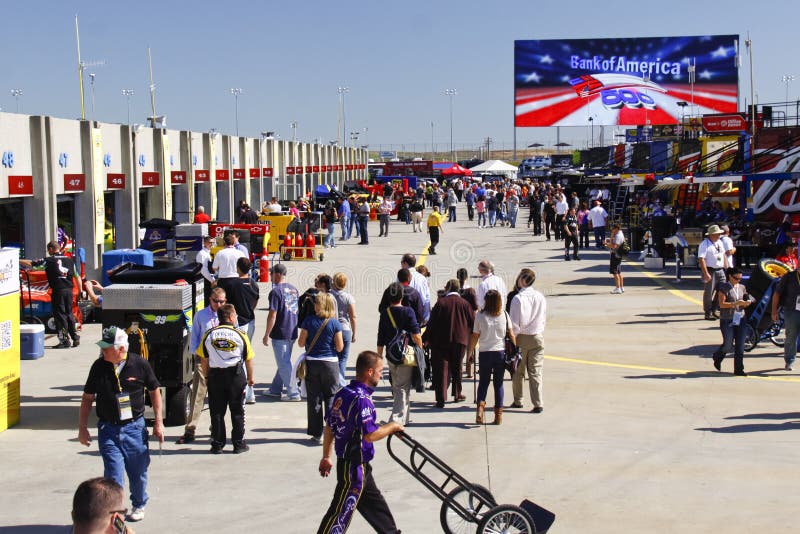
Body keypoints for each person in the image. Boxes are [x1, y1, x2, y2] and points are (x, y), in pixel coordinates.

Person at [78, 326, 164, 522]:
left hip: (134, 428)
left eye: (107, 348)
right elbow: (87, 398)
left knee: (138, 473)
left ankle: (139, 504)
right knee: (112, 476)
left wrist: (158, 422)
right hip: (108, 429)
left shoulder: (139, 364)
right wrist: (82, 427)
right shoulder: (98, 367)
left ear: (121, 349)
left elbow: (154, 390)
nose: (103, 351)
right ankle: (115, 512)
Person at [317, 351, 403, 534]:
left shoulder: (343, 393)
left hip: (356, 465)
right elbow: (370, 435)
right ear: (370, 372)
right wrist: (392, 427)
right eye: (380, 371)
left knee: (377, 508)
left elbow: (329, 427)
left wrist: (327, 456)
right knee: (340, 514)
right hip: (354, 466)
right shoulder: (362, 400)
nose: (382, 375)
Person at [199, 303, 254, 454]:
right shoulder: (240, 334)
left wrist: (206, 375)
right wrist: (250, 377)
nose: (236, 317)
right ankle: (238, 443)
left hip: (215, 375)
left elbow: (203, 358)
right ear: (230, 317)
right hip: (235, 376)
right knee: (237, 411)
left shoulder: (209, 334)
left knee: (216, 411)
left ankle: (217, 444)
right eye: (235, 315)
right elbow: (248, 358)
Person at [176, 287, 226, 444]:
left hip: (222, 362)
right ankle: (190, 429)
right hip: (203, 359)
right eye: (215, 301)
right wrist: (197, 357)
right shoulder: (201, 315)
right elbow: (194, 338)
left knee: (218, 398)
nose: (218, 304)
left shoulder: (228, 314)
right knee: (198, 394)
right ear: (209, 300)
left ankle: (216, 428)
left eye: (222, 301)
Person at [298, 293, 344, 443]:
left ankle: (317, 433)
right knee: (331, 396)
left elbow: (300, 343)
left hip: (313, 363)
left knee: (314, 398)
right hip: (330, 364)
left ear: (320, 305)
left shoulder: (309, 321)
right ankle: (331, 429)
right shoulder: (335, 324)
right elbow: (339, 347)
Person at [423, 279, 474, 408]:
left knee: (441, 369)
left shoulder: (441, 303)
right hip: (460, 340)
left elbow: (432, 323)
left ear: (448, 288)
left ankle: (441, 399)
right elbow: (472, 322)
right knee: (457, 367)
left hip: (441, 340)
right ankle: (457, 394)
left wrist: (426, 338)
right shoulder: (465, 304)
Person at [377, 282, 423, 424]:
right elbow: (416, 334)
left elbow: (381, 336)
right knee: (402, 388)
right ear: (401, 296)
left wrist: (379, 356)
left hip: (391, 354)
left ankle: (404, 418)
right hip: (406, 354)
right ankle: (396, 420)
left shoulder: (385, 313)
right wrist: (420, 350)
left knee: (398, 385)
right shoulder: (408, 312)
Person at [21, 240, 80, 348]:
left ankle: (64, 341)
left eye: (48, 250)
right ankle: (75, 338)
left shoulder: (49, 260)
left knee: (60, 315)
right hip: (69, 290)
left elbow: (32, 264)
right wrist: (80, 291)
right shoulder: (70, 260)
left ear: (51, 249)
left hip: (58, 290)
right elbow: (78, 276)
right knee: (69, 313)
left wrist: (18, 260)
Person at [468, 289, 515, 425]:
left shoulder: (480, 316)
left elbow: (475, 336)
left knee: (483, 382)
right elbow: (511, 334)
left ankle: (480, 409)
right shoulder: (504, 315)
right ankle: (498, 415)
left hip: (485, 353)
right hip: (499, 352)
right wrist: (514, 350)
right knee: (498, 384)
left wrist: (470, 352)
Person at [508, 268, 546, 413]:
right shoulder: (540, 296)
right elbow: (542, 317)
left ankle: (518, 400)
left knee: (518, 371)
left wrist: (513, 338)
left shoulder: (518, 298)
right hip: (537, 336)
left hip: (522, 337)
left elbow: (514, 322)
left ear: (523, 280)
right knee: (535, 371)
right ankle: (538, 402)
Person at [263, 264, 302, 401]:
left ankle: (293, 393)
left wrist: (266, 334)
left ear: (278, 274)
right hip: (292, 330)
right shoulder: (293, 289)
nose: (270, 276)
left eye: (271, 273)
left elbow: (272, 315)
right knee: (283, 361)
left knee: (284, 363)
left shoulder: (275, 292)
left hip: (280, 331)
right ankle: (275, 389)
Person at [225, 257, 260, 404]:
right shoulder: (253, 283)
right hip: (250, 321)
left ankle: (246, 393)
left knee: (240, 358)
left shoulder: (232, 284)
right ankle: (248, 393)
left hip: (239, 324)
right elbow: (256, 300)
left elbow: (228, 305)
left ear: (238, 268)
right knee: (247, 355)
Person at [712, 267, 752, 376]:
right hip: (727, 319)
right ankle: (718, 355)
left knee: (740, 345)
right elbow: (721, 304)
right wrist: (735, 304)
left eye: (740, 279)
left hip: (740, 318)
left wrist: (748, 301)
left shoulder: (742, 287)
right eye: (736, 278)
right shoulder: (724, 287)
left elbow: (748, 297)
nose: (738, 281)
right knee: (728, 344)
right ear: (730, 276)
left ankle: (739, 369)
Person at [771, 265, 800, 371]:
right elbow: (777, 294)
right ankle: (789, 361)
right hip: (792, 311)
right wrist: (774, 311)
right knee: (791, 337)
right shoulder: (789, 277)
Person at [331, 272, 357, 386]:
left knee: (333, 356)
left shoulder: (329, 296)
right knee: (343, 358)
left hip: (332, 328)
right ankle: (340, 383)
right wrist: (354, 333)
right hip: (345, 328)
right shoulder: (348, 297)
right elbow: (353, 316)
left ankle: (334, 381)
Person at [697, 224, 727, 318]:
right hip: (710, 270)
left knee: (722, 290)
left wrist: (727, 267)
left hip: (720, 269)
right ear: (711, 235)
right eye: (716, 234)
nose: (718, 236)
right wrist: (705, 273)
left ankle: (714, 309)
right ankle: (708, 311)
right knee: (709, 292)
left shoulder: (719, 242)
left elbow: (723, 254)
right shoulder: (704, 244)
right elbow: (701, 259)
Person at [606, 224, 626, 294]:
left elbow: (614, 246)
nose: (612, 230)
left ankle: (618, 288)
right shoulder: (620, 233)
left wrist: (606, 244)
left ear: (616, 229)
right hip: (618, 255)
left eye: (612, 229)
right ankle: (621, 287)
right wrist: (611, 236)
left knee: (615, 272)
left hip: (615, 255)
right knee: (619, 272)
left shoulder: (618, 236)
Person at [196, 235, 215, 306]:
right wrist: (212, 280)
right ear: (204, 243)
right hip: (204, 280)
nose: (211, 244)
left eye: (213, 242)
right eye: (209, 242)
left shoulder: (207, 253)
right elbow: (203, 270)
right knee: (206, 300)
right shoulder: (202, 254)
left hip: (208, 279)